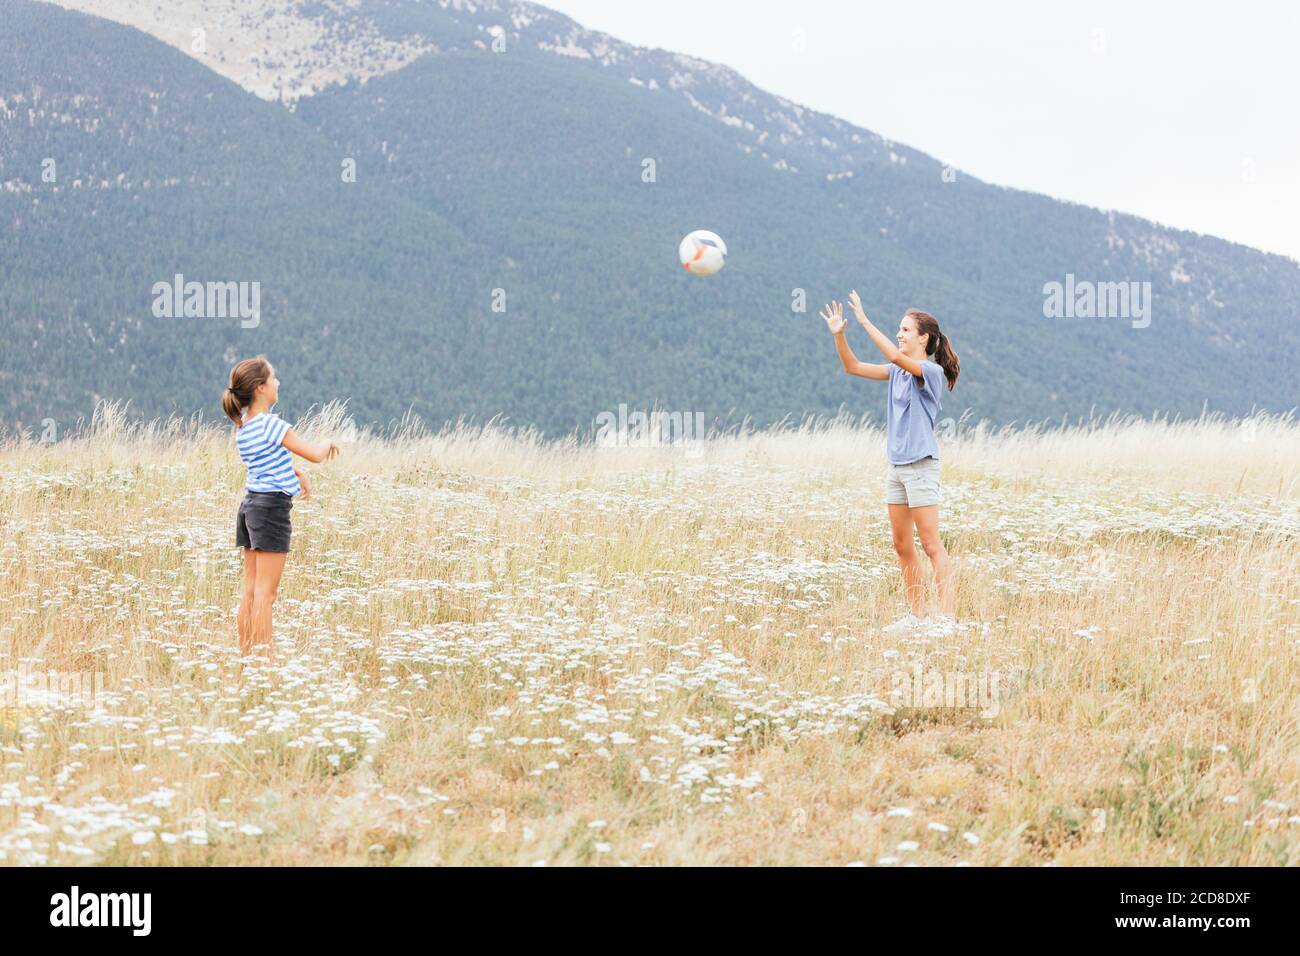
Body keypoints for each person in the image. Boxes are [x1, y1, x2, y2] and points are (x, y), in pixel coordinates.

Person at [819, 291, 962, 634]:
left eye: (905, 330)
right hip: (897, 467)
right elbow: (852, 367)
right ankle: (917, 617)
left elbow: (899, 360)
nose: (900, 334)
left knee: (930, 544)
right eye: (898, 330)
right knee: (902, 545)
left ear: (924, 338)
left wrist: (865, 321)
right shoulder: (896, 371)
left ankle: (948, 620)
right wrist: (840, 335)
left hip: (921, 465)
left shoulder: (930, 371)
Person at [221, 356, 339, 657]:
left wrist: (294, 473)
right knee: (266, 595)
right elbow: (313, 454)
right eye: (273, 379)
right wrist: (327, 443)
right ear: (261, 388)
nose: (277, 383)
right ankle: (264, 660)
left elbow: (263, 464)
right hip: (271, 509)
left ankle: (247, 657)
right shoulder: (272, 424)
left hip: (250, 507)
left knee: (249, 591)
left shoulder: (244, 426)